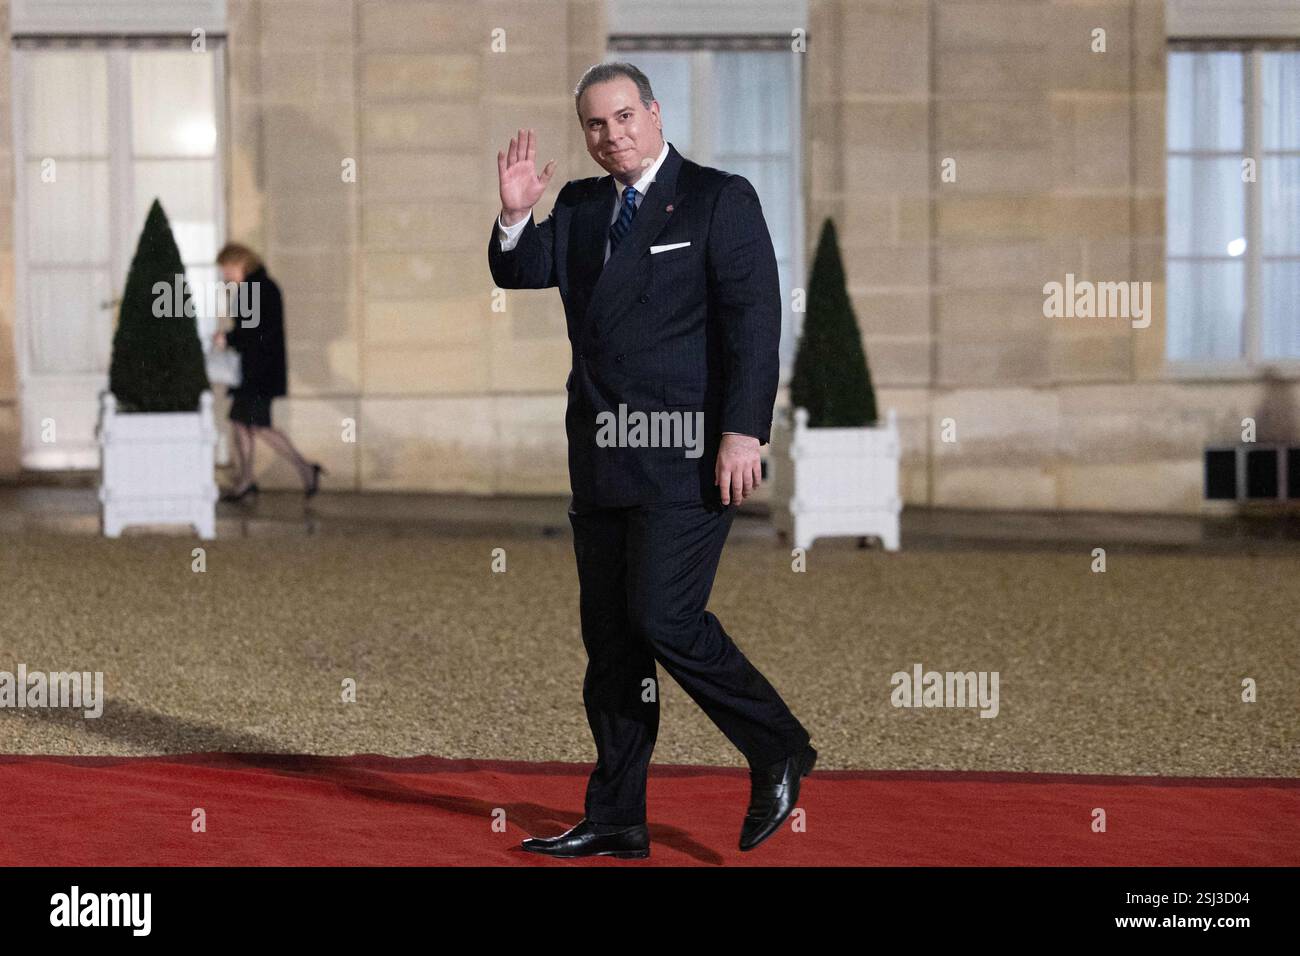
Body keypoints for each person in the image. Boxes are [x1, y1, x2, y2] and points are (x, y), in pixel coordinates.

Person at [488, 62, 815, 858]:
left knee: (665, 617)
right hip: (601, 453)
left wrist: (746, 432)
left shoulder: (717, 197)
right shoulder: (580, 204)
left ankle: (776, 745)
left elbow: (753, 318)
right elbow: (519, 270)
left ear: (655, 113)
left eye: (625, 117)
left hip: (687, 455)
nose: (613, 136)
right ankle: (616, 815)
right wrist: (513, 215)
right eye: (596, 125)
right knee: (612, 643)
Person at [211, 243, 324, 501]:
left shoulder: (254, 289)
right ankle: (246, 481)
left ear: (239, 263)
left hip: (259, 372)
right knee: (241, 423)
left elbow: (255, 332)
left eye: (226, 269)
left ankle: (305, 468)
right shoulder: (258, 287)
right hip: (257, 371)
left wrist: (227, 339)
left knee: (259, 427)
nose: (225, 275)